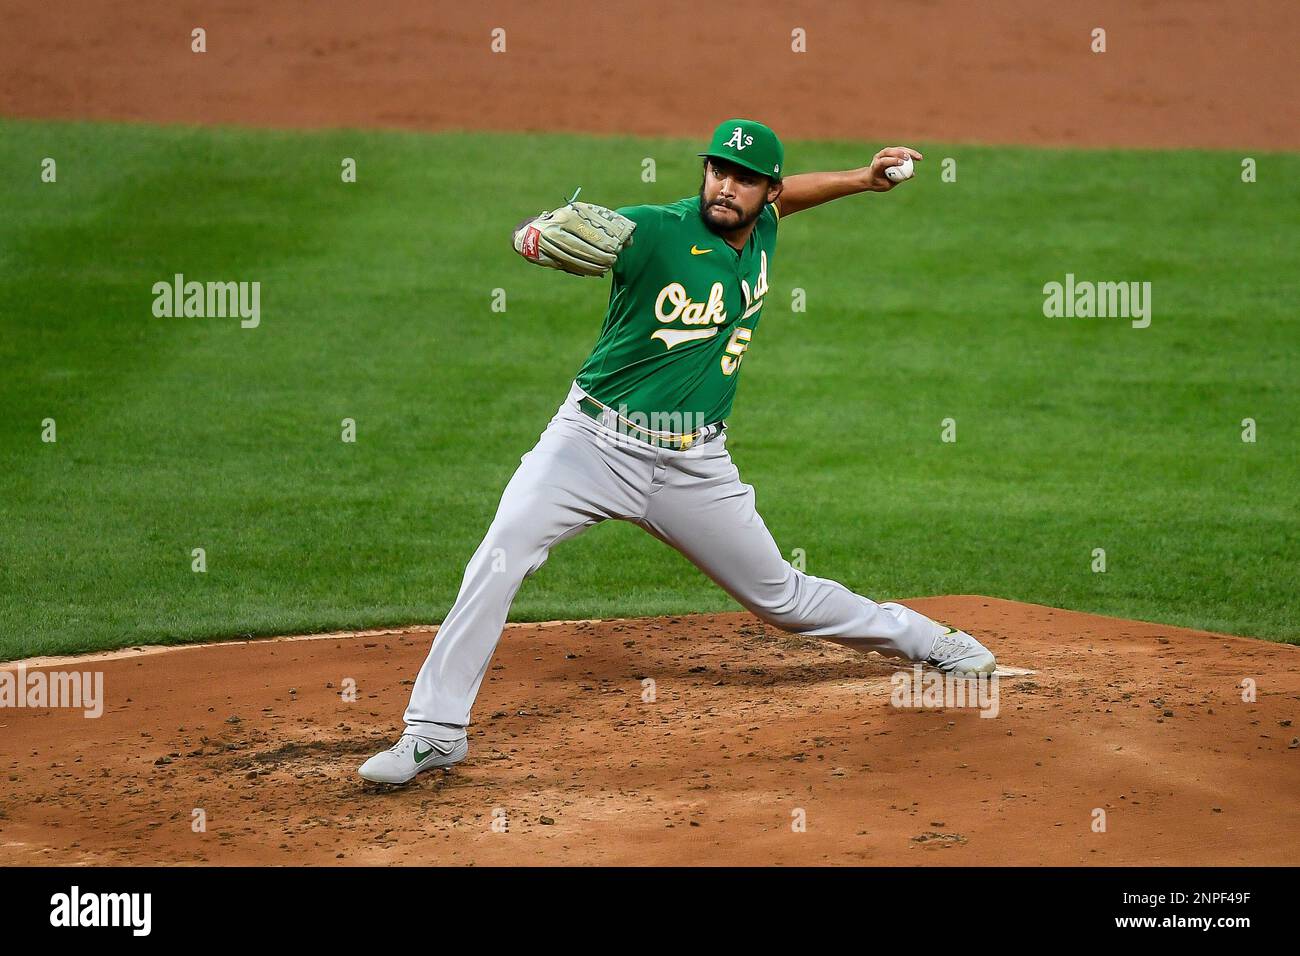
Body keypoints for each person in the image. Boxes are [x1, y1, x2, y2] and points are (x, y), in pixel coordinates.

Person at [359, 118, 995, 785]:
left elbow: (789, 198)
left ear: (765, 190)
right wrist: (531, 235)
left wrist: (861, 180)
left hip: (694, 465)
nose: (725, 187)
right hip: (589, 446)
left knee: (782, 598)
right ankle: (433, 733)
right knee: (498, 556)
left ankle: (933, 643)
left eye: (745, 178)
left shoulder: (766, 226)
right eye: (717, 171)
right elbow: (546, 232)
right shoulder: (657, 230)